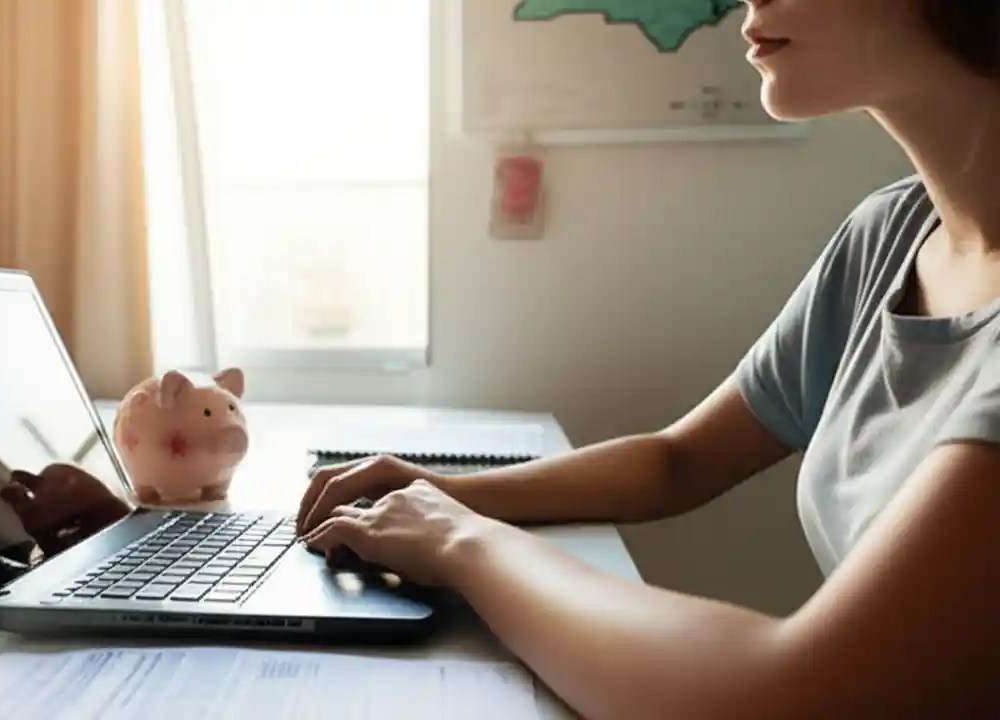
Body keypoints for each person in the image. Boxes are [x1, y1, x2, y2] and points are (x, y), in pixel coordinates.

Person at [297, 1, 1000, 716]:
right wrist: (441, 490)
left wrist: (462, 542)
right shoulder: (890, 233)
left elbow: (787, 692)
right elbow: (679, 461)